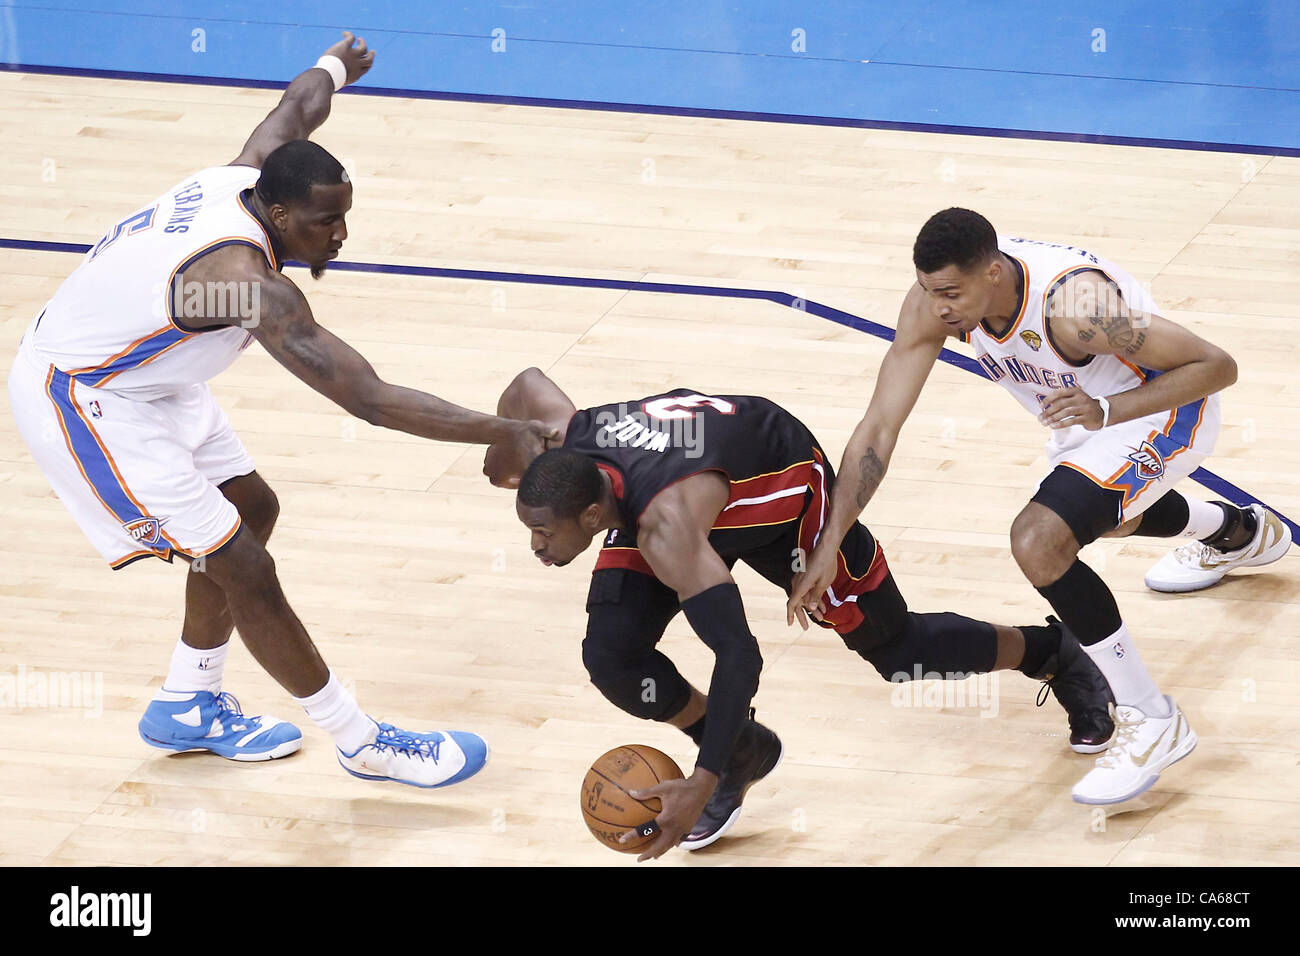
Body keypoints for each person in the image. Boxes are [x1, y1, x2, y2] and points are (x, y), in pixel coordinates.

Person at [7, 33, 554, 788]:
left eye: (343, 216)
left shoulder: (247, 172)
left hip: (145, 374)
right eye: (323, 223)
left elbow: (296, 107)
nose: (339, 235)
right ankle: (362, 742)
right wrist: (505, 429)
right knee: (242, 563)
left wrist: (336, 66)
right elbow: (367, 399)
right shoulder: (242, 285)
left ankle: (187, 703)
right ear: (275, 210)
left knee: (250, 506)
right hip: (86, 395)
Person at [483, 367, 1113, 859]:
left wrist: (698, 783)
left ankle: (1050, 652)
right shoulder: (567, 438)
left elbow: (739, 653)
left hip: (782, 494)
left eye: (542, 532)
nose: (535, 545)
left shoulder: (663, 528)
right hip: (692, 491)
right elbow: (524, 386)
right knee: (611, 654)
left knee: (901, 655)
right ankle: (741, 749)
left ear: (591, 514)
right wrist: (492, 441)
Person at [789, 207, 1292, 805]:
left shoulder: (1077, 311)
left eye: (951, 294)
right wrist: (830, 540)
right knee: (1104, 514)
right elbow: (878, 428)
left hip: (1160, 406)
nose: (940, 310)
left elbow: (1216, 366)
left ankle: (1151, 717)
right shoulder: (935, 300)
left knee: (1041, 539)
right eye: (930, 292)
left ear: (994, 274)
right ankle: (1236, 532)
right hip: (1084, 412)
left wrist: (1108, 412)